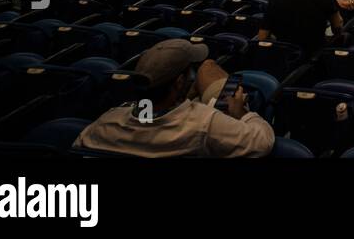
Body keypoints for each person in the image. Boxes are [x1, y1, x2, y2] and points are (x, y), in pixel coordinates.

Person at [74, 39, 274, 157]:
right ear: (179, 82)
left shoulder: (106, 123)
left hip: (168, 111)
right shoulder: (205, 124)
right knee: (210, 70)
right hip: (210, 120)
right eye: (188, 73)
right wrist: (243, 115)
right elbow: (263, 141)